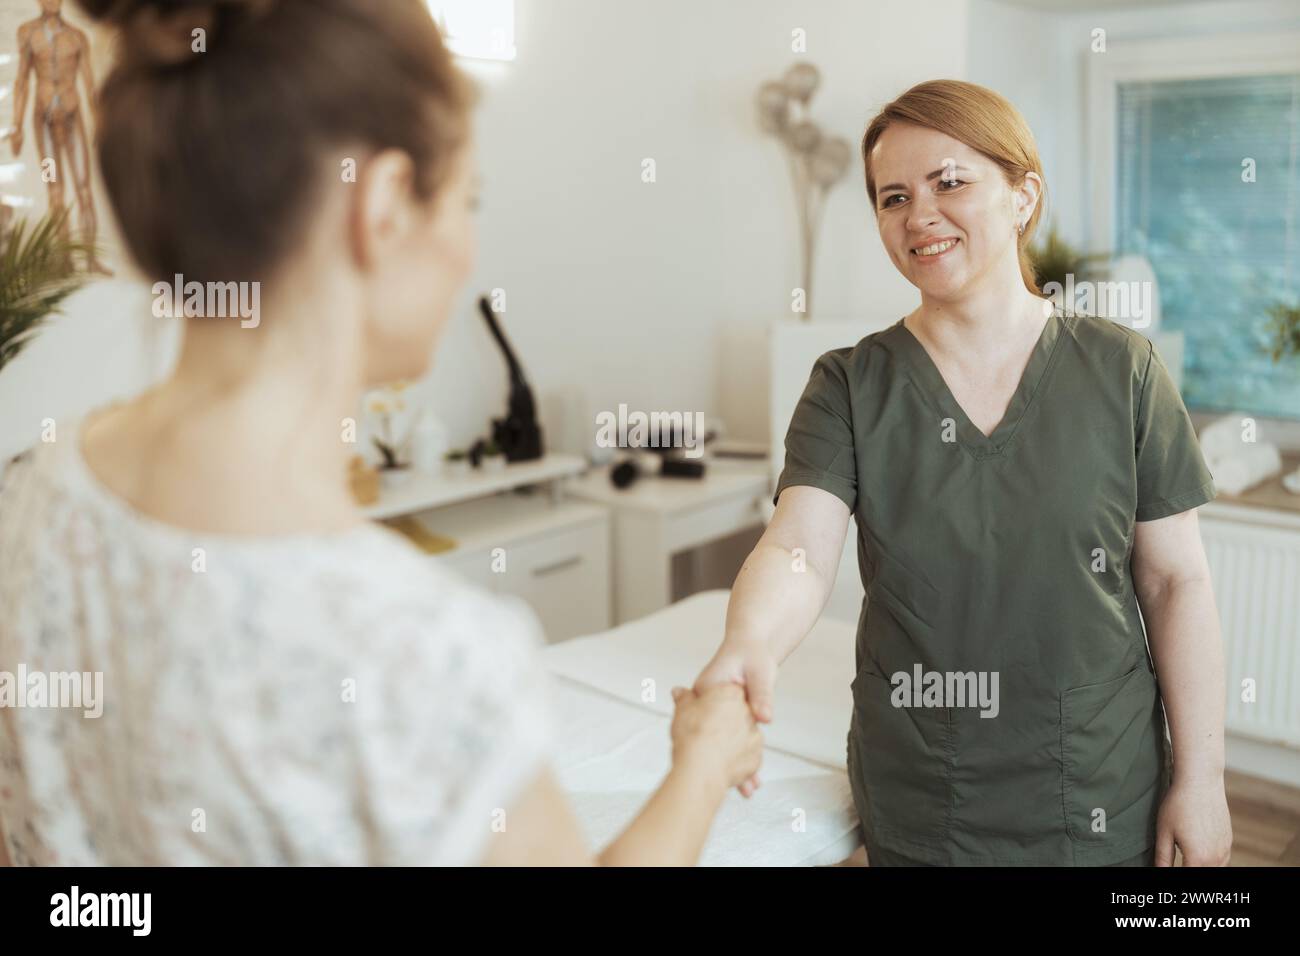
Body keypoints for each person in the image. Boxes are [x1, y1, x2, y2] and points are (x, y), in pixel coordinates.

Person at [0, 0, 761, 867]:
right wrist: (703, 766)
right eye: (467, 198)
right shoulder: (413, 649)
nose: (470, 249)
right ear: (388, 204)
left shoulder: (32, 495)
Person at [695, 80, 1233, 867]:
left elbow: (1175, 583)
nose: (920, 215)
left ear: (1023, 196)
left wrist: (1205, 777)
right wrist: (750, 642)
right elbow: (798, 550)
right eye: (893, 197)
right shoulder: (849, 384)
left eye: (950, 182)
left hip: (1098, 787)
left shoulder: (1123, 372)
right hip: (924, 796)